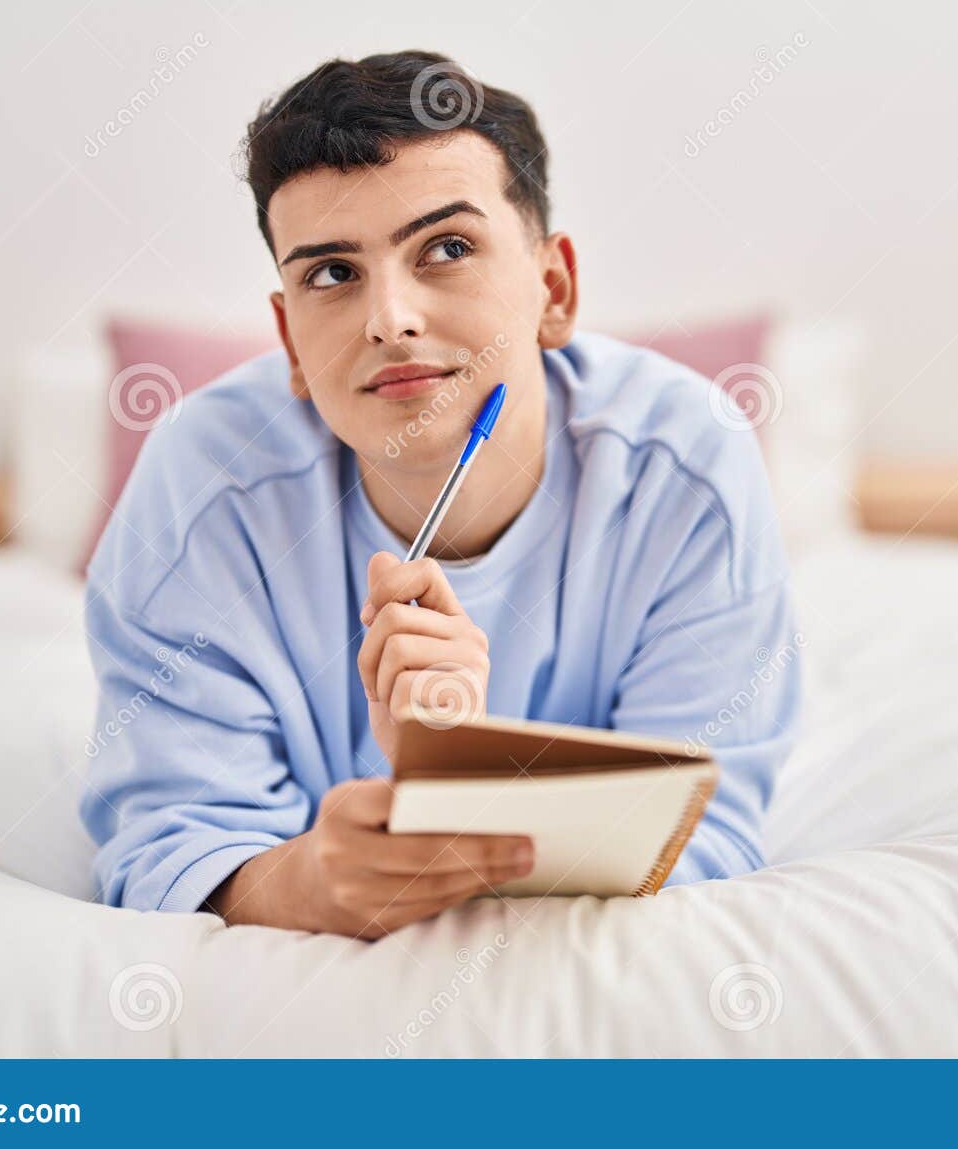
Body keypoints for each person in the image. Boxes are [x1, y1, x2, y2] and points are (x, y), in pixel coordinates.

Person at [81, 50, 801, 938]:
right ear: (290, 341)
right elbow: (170, 847)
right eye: (333, 274)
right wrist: (313, 879)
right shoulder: (195, 487)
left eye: (448, 249)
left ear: (555, 288)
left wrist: (464, 787)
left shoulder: (689, 467)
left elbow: (703, 839)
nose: (390, 319)